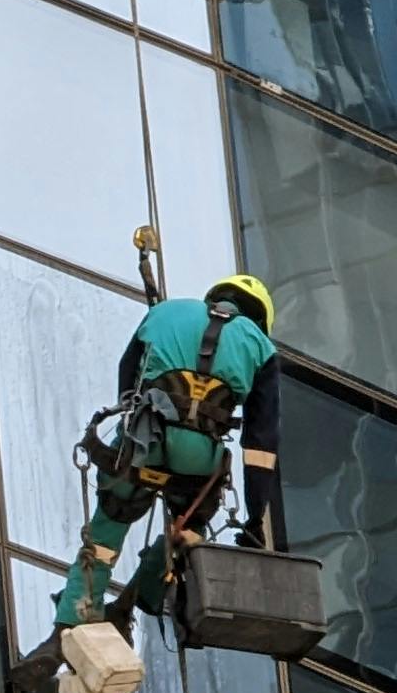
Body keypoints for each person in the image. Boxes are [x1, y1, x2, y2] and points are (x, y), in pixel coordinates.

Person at [42, 273, 283, 648]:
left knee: (106, 532)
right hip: (198, 463)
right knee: (191, 525)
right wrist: (254, 518)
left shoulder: (165, 313)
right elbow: (260, 445)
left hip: (143, 444)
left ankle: (73, 618)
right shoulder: (261, 348)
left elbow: (128, 383)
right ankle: (152, 590)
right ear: (260, 319)